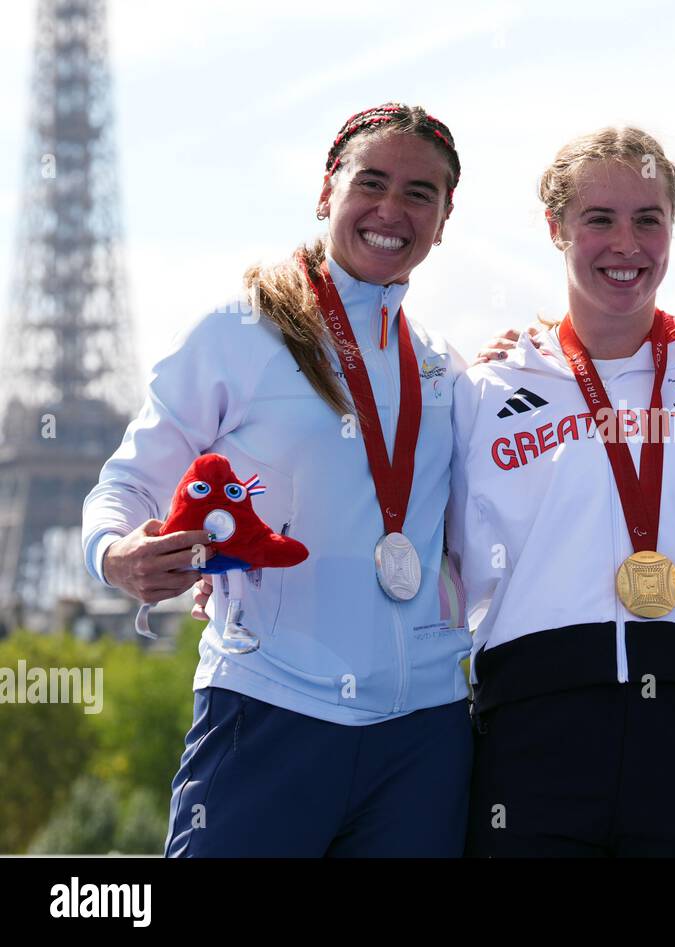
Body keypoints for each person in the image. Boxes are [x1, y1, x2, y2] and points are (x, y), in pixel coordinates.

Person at [81, 103, 474, 857]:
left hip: (422, 731)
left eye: (420, 194)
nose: (392, 210)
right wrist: (113, 554)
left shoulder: (448, 368)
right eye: (373, 182)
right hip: (267, 711)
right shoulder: (237, 333)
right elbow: (126, 482)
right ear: (328, 190)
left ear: (444, 217)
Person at [449, 127, 675, 856]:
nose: (626, 243)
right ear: (556, 227)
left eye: (648, 219)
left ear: (673, 225)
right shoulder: (486, 388)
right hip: (534, 725)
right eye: (599, 219)